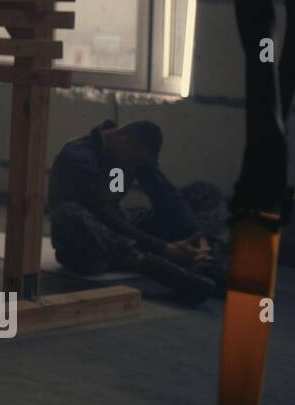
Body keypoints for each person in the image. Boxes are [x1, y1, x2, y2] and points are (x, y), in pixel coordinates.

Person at [47, 119, 227, 305]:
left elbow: (167, 198)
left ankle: (200, 257)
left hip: (125, 228)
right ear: (122, 140)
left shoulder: (131, 152)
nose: (135, 166)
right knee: (68, 213)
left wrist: (195, 235)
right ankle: (157, 267)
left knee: (205, 191)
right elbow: (103, 214)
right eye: (134, 162)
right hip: (89, 242)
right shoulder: (77, 157)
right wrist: (163, 249)